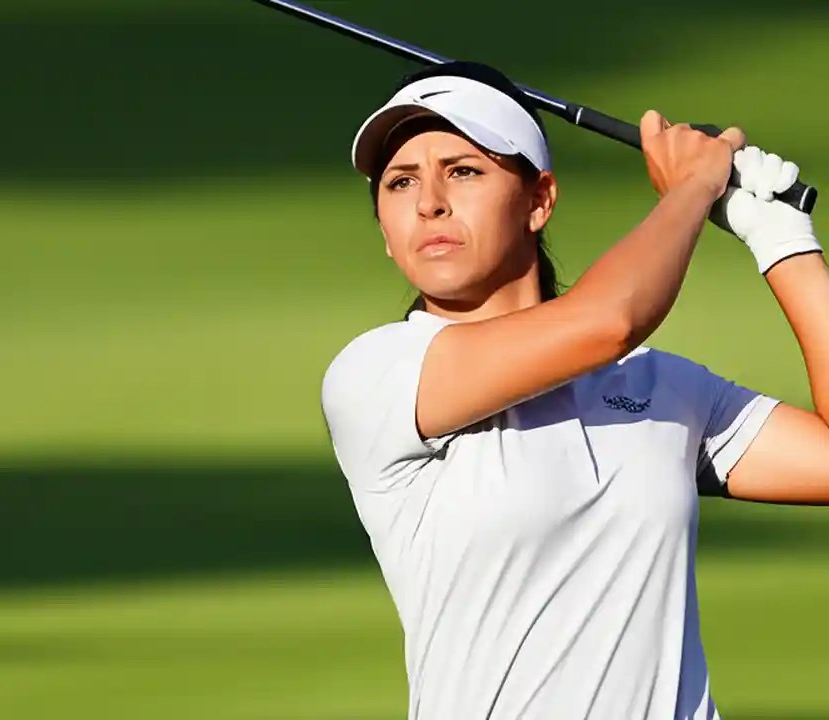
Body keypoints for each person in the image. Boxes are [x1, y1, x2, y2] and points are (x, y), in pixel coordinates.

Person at [318, 61, 829, 719]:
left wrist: (783, 240)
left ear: (540, 201)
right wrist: (693, 189)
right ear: (386, 235)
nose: (429, 202)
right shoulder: (377, 374)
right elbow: (606, 321)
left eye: (463, 170)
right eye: (400, 182)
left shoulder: (661, 389)